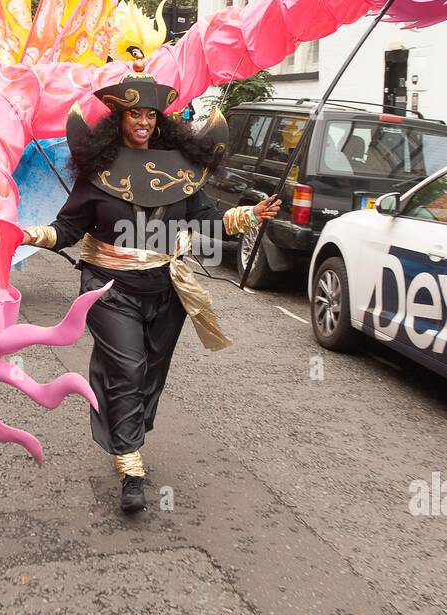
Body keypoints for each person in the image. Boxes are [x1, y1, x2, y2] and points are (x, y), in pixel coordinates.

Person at [21, 73, 279, 513]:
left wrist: (249, 215)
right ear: (118, 120)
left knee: (150, 374)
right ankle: (130, 467)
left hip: (167, 291)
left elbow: (205, 222)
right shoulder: (97, 172)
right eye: (133, 114)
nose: (142, 121)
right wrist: (25, 234)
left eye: (149, 115)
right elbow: (67, 229)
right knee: (129, 368)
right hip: (109, 289)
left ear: (159, 120)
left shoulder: (180, 168)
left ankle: (127, 433)